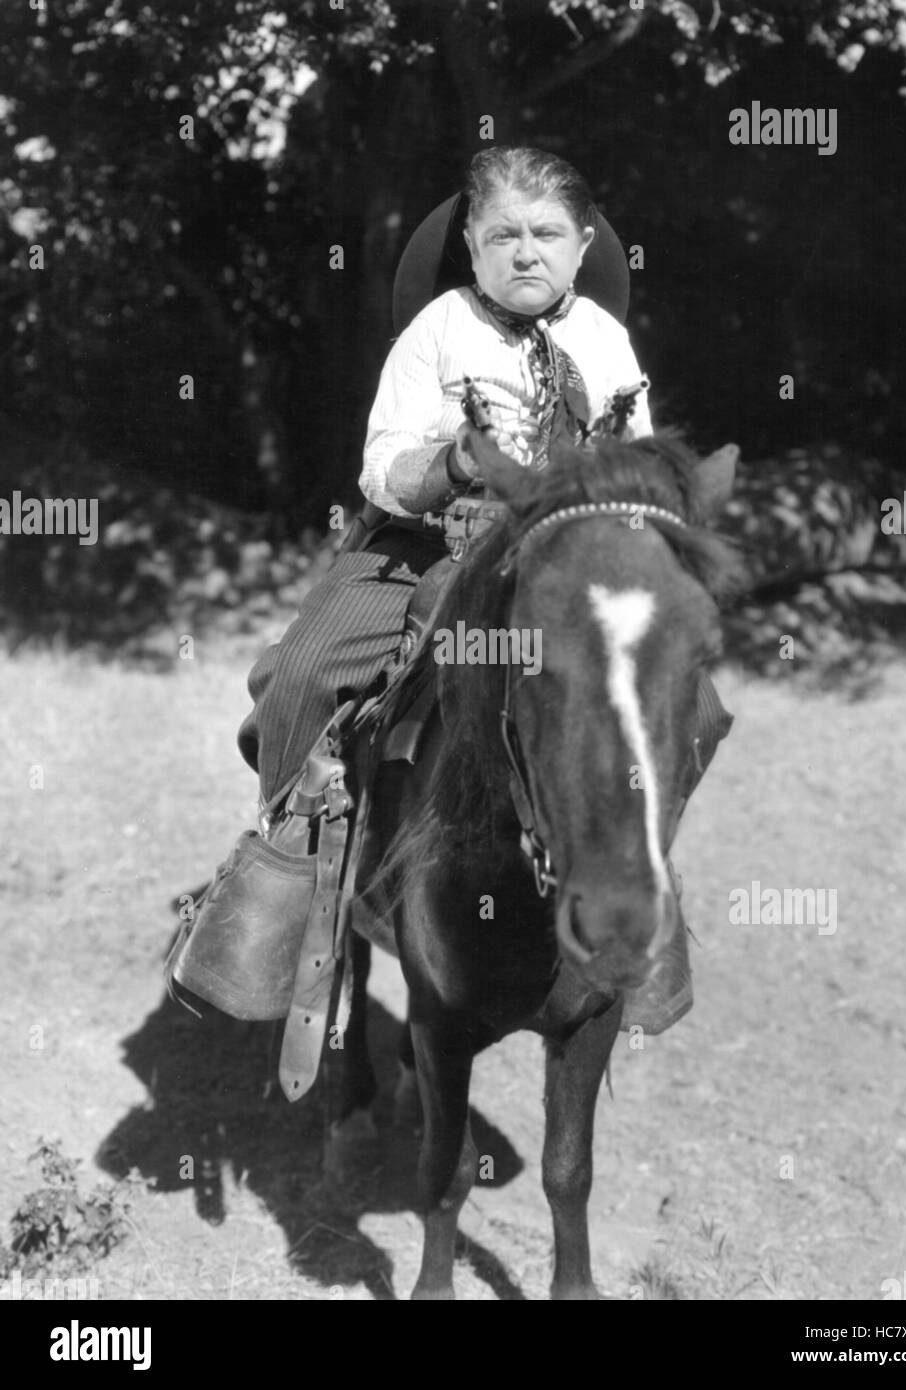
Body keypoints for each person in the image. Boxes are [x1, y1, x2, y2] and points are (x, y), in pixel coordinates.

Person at [230, 145, 727, 1031]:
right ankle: (293, 877)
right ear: (470, 243)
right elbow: (381, 468)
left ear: (582, 246)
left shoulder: (606, 343)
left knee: (689, 699)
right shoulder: (437, 331)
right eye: (503, 235)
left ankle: (640, 875)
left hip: (563, 563)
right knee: (297, 674)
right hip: (430, 546)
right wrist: (453, 460)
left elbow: (641, 470)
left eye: (546, 234)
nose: (525, 252)